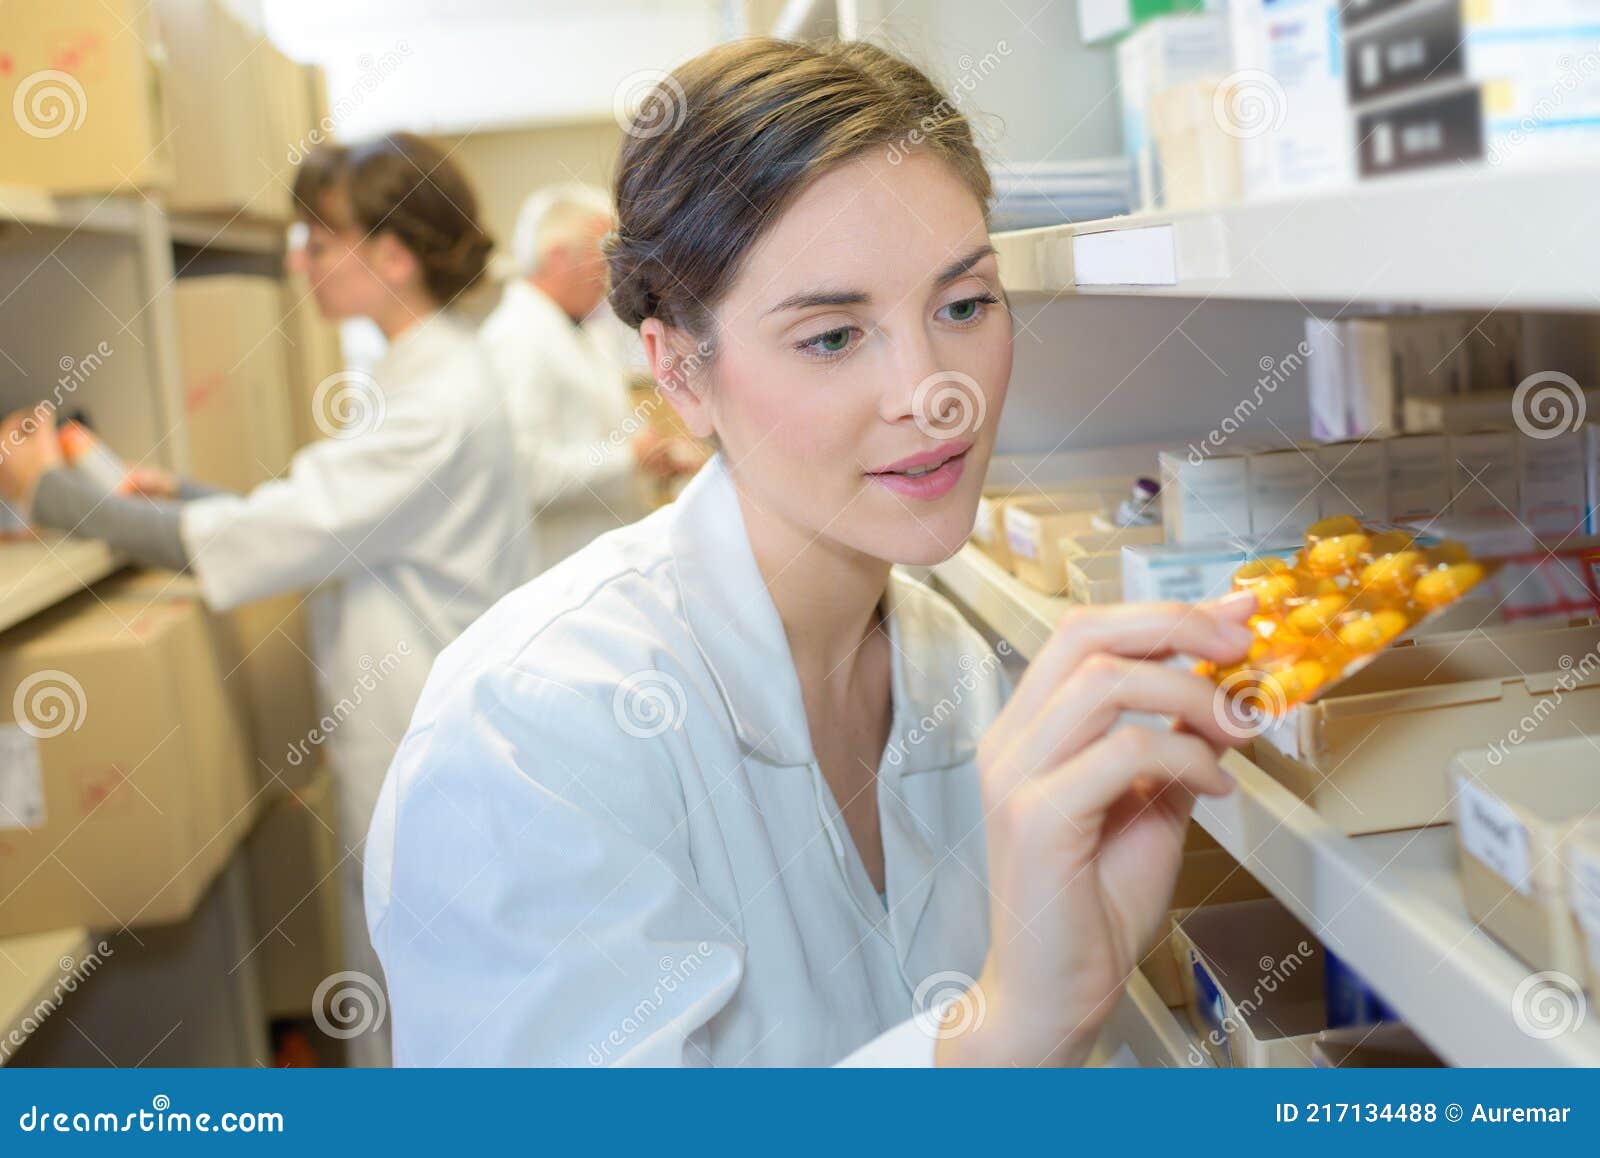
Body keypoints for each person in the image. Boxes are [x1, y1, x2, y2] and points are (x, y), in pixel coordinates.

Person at [365, 39, 1253, 1067]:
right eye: (833, 336)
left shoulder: (969, 677)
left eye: (962, 306)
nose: (934, 392)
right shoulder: (529, 733)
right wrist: (1007, 1031)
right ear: (682, 374)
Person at [0, 133, 531, 1069]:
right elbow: (317, 518)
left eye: (320, 240)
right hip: (422, 715)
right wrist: (182, 499)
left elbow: (281, 536)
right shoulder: (421, 371)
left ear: (394, 254)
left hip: (428, 728)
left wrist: (48, 493)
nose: (299, 259)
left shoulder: (435, 398)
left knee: (434, 1000)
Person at [479, 183, 698, 571]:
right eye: (601, 258)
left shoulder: (586, 329)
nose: (611, 275)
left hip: (604, 551)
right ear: (558, 256)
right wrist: (628, 457)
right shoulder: (514, 337)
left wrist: (652, 453)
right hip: (557, 563)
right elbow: (525, 474)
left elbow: (599, 425)